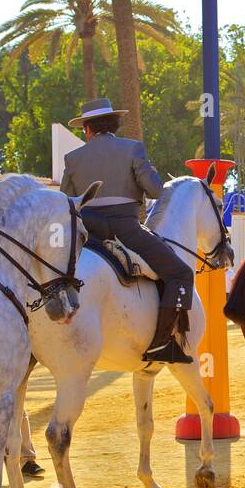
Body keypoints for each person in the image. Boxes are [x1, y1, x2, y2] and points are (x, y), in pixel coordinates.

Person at [60, 97, 194, 364]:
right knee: (181, 273)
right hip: (126, 230)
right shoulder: (133, 149)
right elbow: (156, 190)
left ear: (87, 129)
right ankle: (160, 344)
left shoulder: (73, 158)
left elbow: (66, 201)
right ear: (114, 124)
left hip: (87, 233)